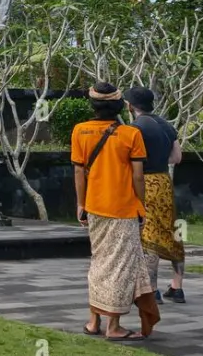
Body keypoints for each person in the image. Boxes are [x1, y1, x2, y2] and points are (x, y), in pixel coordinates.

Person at [74, 82, 159, 341]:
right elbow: (138, 177)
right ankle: (113, 326)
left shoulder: (80, 131)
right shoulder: (130, 134)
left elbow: (79, 171)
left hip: (95, 207)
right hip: (123, 209)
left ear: (93, 105)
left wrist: (81, 204)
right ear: (120, 105)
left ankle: (93, 321)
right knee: (119, 267)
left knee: (99, 262)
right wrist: (141, 205)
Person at [125, 85, 186, 303]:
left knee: (148, 235)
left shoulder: (134, 129)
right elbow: (177, 157)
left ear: (130, 105)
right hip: (164, 182)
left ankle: (152, 290)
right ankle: (177, 287)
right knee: (172, 231)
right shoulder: (167, 126)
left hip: (146, 183)